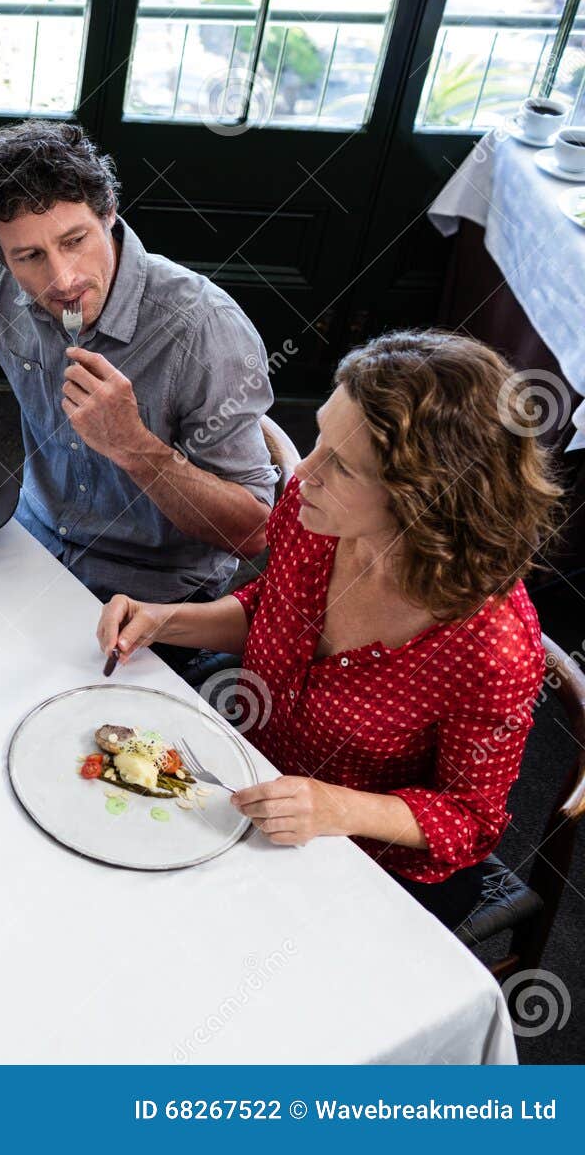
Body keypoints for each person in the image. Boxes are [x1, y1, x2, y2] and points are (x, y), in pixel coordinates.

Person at [97, 331, 562, 928]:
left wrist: (335, 807)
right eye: (318, 438)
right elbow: (270, 608)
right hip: (249, 770)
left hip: (369, 859)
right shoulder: (313, 510)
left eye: (341, 465)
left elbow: (469, 819)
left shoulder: (491, 648)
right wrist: (165, 620)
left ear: (422, 500)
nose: (303, 472)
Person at [0, 120, 276, 608]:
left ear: (108, 213)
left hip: (155, 593)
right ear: (0, 255)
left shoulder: (204, 328)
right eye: (29, 256)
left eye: (74, 241)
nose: (62, 279)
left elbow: (251, 532)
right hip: (27, 544)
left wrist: (134, 448)